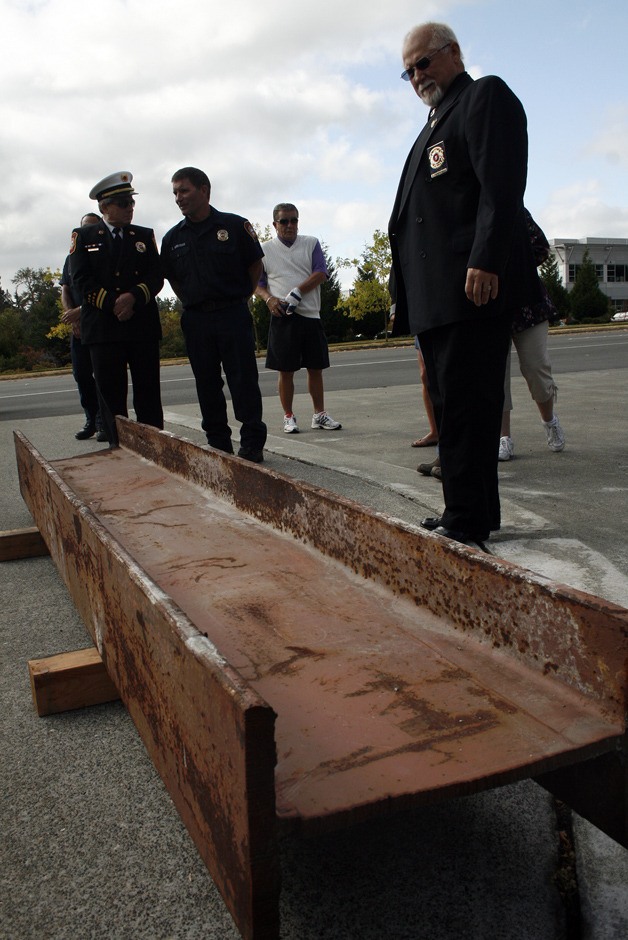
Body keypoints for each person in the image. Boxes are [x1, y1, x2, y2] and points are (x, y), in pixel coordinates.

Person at [389, 22, 541, 548]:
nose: (415, 76)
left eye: (423, 63)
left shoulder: (483, 97)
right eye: (407, 70)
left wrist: (487, 259)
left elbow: (501, 186)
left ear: (452, 52)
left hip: (470, 287)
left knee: (470, 410)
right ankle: (467, 509)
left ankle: (467, 522)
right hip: (436, 299)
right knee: (452, 408)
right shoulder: (431, 126)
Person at [161, 167, 267, 462]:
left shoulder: (234, 226)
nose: (178, 198)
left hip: (232, 314)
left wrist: (239, 298)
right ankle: (219, 444)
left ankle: (252, 443)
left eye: (184, 190)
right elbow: (174, 280)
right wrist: (195, 303)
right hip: (196, 319)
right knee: (207, 383)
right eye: (175, 193)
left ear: (204, 189)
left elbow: (254, 266)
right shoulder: (173, 239)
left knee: (243, 379)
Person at [70, 171, 164, 447]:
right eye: (123, 203)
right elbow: (81, 280)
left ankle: (154, 447)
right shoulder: (84, 236)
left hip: (140, 325)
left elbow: (156, 276)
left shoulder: (144, 236)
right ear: (104, 208)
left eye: (131, 203)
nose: (130, 208)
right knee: (111, 395)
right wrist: (114, 303)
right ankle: (118, 448)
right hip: (104, 328)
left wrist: (133, 297)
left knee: (148, 392)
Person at [254, 204, 341, 434]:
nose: (289, 225)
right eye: (284, 221)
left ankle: (319, 414)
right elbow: (258, 284)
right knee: (286, 370)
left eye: (293, 220)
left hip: (310, 314)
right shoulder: (264, 250)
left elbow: (321, 272)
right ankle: (289, 416)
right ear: (275, 224)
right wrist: (269, 299)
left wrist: (298, 291)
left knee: (316, 368)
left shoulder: (311, 243)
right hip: (283, 317)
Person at [498, 210, 565, 460]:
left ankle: (550, 421)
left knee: (536, 368)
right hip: (490, 308)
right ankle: (504, 438)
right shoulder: (467, 209)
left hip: (528, 305)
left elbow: (541, 247)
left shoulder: (513, 208)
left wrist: (507, 265)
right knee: (496, 376)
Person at [60, 212, 106, 441]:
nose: (87, 231)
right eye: (83, 227)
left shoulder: (104, 254)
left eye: (92, 227)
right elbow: (65, 288)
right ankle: (91, 418)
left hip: (99, 323)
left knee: (103, 374)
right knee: (81, 375)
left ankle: (104, 422)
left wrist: (82, 312)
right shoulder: (72, 257)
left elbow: (106, 291)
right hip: (79, 328)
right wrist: (72, 315)